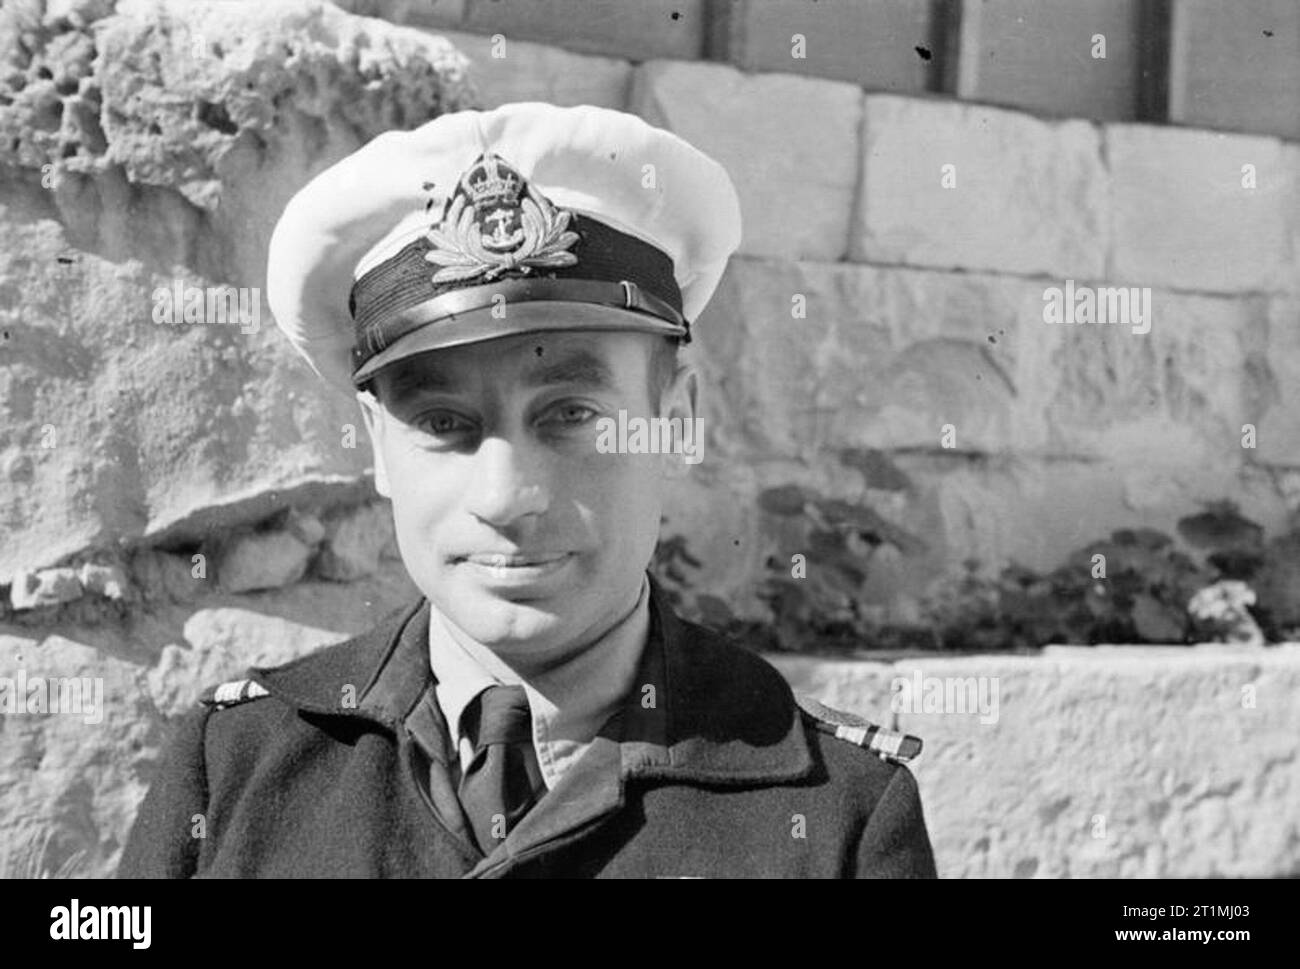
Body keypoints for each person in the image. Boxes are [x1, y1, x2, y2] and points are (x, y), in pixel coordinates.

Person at [118, 102, 937, 878]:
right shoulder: (237, 769)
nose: (507, 497)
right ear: (378, 446)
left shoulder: (836, 814)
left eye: (572, 412)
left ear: (676, 421)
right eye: (442, 423)